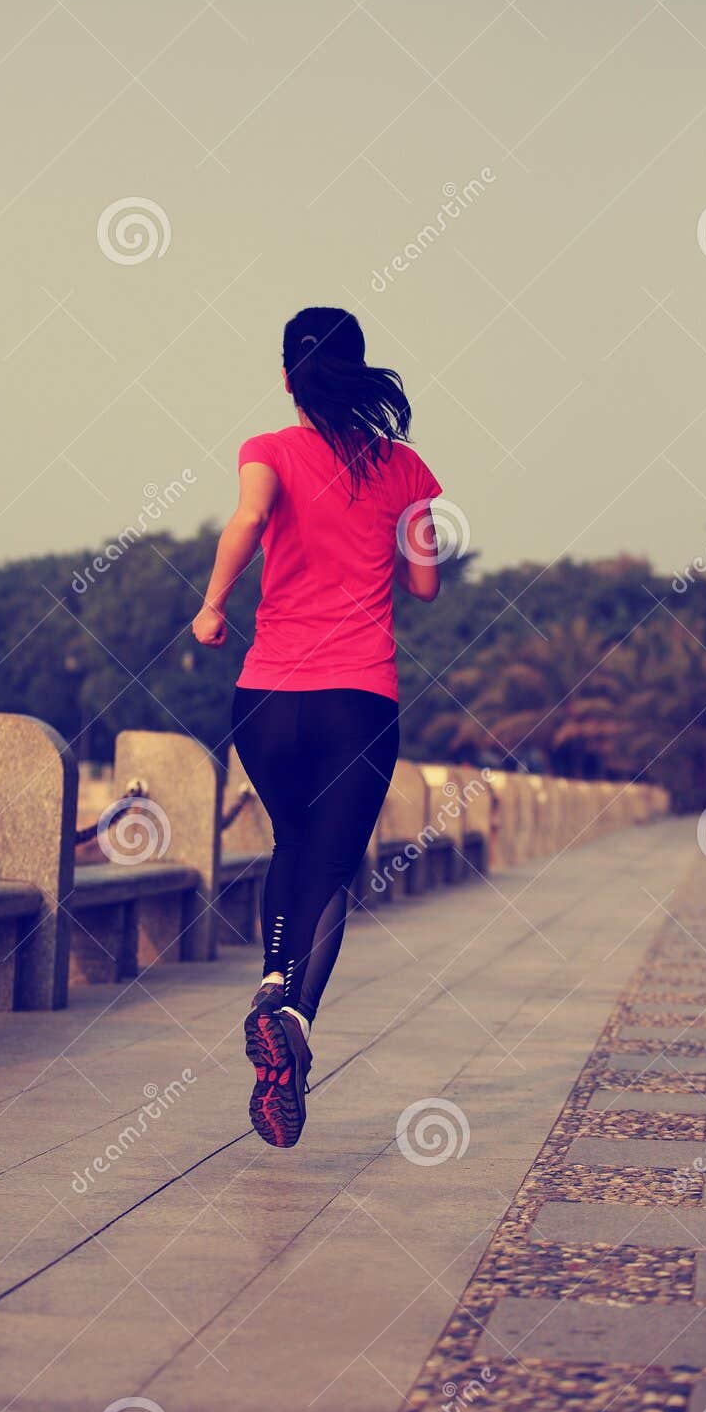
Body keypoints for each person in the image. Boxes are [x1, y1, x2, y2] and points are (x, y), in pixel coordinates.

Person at [192, 307, 442, 1147]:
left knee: (291, 845)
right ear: (357, 369)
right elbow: (423, 585)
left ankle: (274, 982)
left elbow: (248, 521)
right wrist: (391, 534)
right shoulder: (404, 468)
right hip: (356, 700)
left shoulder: (266, 449)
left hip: (265, 697)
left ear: (287, 377)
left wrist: (213, 604)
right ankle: (293, 1016)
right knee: (332, 867)